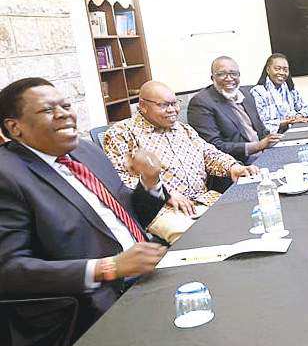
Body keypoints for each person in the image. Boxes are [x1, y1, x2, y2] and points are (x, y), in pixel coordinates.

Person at [0, 78, 167, 346]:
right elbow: (8, 270)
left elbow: (130, 215)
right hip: (86, 308)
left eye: (66, 105)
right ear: (15, 128)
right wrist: (108, 267)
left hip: (146, 276)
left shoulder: (85, 151)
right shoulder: (7, 175)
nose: (65, 114)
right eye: (48, 110)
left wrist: (150, 182)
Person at [104, 81, 258, 244]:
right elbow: (120, 180)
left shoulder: (183, 129)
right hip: (164, 210)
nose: (172, 110)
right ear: (143, 106)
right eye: (164, 105)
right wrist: (165, 193)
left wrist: (232, 167)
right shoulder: (122, 133)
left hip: (204, 200)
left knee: (246, 222)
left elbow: (208, 153)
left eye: (175, 103)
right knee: (202, 243)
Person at [187, 56, 281, 164]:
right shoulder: (201, 103)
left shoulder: (246, 94)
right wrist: (258, 146)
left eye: (233, 73)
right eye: (222, 74)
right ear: (212, 77)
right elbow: (213, 147)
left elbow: (261, 130)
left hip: (265, 156)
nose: (229, 78)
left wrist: (272, 139)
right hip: (239, 164)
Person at [250, 53, 308, 133]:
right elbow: (260, 123)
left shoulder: (290, 89)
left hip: (292, 131)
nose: (282, 73)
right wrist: (286, 122)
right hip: (270, 137)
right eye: (277, 69)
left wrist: (298, 116)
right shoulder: (258, 92)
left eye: (285, 70)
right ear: (268, 70)